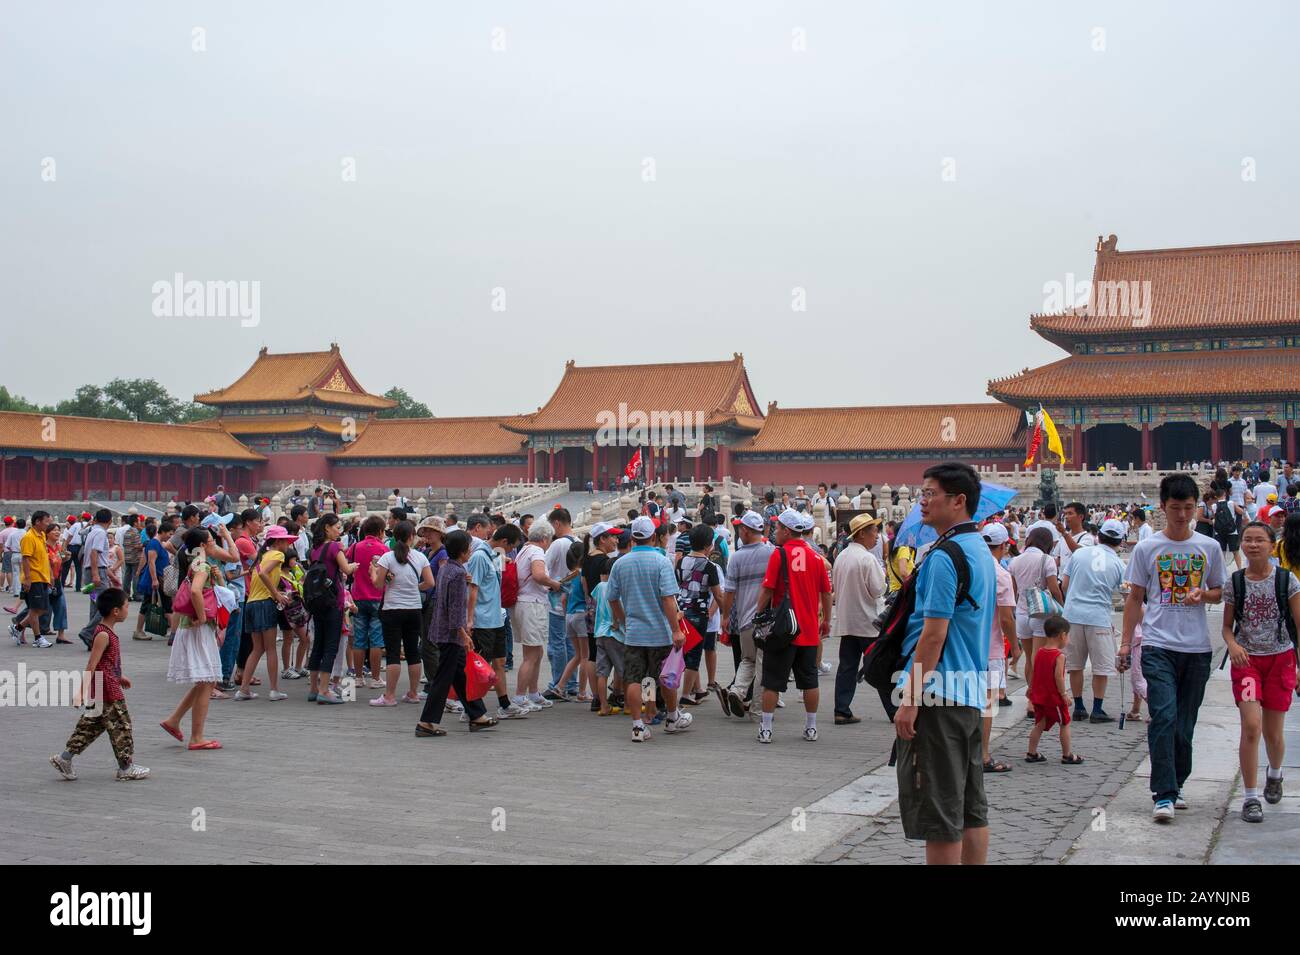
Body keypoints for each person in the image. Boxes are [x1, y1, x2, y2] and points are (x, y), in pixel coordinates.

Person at [893, 462, 996, 866]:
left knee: (939, 814)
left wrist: (911, 698)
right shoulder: (981, 550)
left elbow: (933, 635)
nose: (923, 501)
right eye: (922, 493)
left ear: (958, 501)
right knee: (971, 808)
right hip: (970, 695)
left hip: (939, 697)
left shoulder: (944, 556)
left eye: (930, 493)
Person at [1120, 473, 1227, 824]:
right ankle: (1163, 793)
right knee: (1164, 715)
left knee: (1185, 724)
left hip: (1197, 649)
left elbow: (1219, 592)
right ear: (1162, 508)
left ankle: (1177, 783)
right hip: (1157, 644)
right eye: (1175, 508)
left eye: (1189, 508)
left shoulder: (1208, 548)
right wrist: (1125, 643)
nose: (1182, 515)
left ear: (1197, 507)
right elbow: (1135, 597)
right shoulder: (1147, 549)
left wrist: (1203, 595)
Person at [1222, 521, 1299, 823]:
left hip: (1280, 659)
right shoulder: (1235, 582)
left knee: (1273, 733)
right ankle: (1250, 797)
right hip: (1247, 663)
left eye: (1259, 540)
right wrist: (1232, 645)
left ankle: (1275, 773)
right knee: (1251, 726)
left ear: (1271, 544)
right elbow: (1227, 627)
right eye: (1247, 540)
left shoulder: (1286, 580)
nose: (1253, 545)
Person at [49, 587, 150, 781]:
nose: (129, 610)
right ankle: (125, 767)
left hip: (107, 686)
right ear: (116, 611)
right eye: (127, 606)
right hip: (107, 691)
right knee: (122, 726)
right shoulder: (103, 634)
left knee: (90, 727)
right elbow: (92, 664)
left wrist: (120, 677)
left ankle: (64, 758)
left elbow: (106, 663)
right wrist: (80, 692)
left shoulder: (107, 631)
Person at [606, 516, 689, 741]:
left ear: (632, 538)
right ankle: (672, 717)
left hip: (634, 633)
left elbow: (611, 598)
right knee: (666, 677)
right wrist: (676, 629)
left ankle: (637, 725)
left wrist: (623, 620)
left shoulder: (620, 563)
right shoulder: (661, 561)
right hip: (659, 632)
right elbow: (668, 600)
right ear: (653, 537)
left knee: (637, 679)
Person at [754, 509, 831, 743]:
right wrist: (826, 619)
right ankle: (811, 727)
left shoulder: (779, 555)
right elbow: (826, 592)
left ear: (787, 531)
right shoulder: (817, 558)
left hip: (783, 631)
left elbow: (767, 589)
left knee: (772, 681)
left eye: (777, 528)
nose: (775, 532)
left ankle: (766, 728)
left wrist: (757, 614)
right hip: (808, 630)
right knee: (809, 681)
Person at [415, 530, 498, 736]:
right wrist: (464, 634)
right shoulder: (458, 573)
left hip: (442, 630)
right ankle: (427, 722)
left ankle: (477, 715)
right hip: (451, 633)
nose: (470, 551)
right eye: (468, 547)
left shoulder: (447, 568)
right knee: (443, 679)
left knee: (460, 676)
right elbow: (454, 609)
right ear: (462, 551)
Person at [160, 528, 225, 749]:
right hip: (199, 629)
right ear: (204, 545)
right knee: (207, 681)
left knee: (205, 680)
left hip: (192, 628)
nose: (215, 543)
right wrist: (202, 616)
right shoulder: (202, 565)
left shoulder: (197, 564)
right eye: (212, 541)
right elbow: (196, 591)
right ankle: (197, 737)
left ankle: (174, 720)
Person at [1060, 518, 1127, 723]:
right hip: (1098, 617)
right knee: (1101, 666)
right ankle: (1097, 709)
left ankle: (1079, 706)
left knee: (1075, 664)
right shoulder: (1118, 563)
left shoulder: (1079, 553)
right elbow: (1126, 593)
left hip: (1072, 615)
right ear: (1120, 541)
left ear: (1099, 536)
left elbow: (1064, 585)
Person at [466, 513, 527, 720]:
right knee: (479, 666)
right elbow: (472, 589)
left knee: (499, 662)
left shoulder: (494, 555)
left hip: (497, 617)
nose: (511, 550)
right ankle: (472, 708)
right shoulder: (479, 557)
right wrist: (469, 619)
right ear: (503, 541)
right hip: (482, 620)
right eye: (511, 546)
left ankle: (504, 704)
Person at [831, 512, 888, 725]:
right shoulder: (867, 558)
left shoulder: (842, 556)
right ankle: (893, 710)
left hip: (848, 620)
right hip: (868, 621)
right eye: (874, 531)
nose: (877, 535)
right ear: (862, 534)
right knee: (879, 666)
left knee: (847, 666)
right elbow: (877, 590)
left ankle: (841, 709)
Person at [368, 520, 432, 706]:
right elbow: (430, 583)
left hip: (392, 610)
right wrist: (414, 587)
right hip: (414, 610)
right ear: (411, 537)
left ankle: (389, 696)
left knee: (394, 653)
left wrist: (373, 572)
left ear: (395, 538)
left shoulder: (387, 558)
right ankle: (413, 693)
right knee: (413, 652)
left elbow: (379, 584)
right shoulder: (420, 557)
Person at [721, 511, 775, 718]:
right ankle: (757, 709)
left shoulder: (736, 557)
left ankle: (737, 690)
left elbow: (729, 592)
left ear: (745, 530)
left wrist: (726, 617)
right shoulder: (772, 554)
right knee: (763, 664)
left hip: (744, 620)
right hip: (766, 620)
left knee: (747, 659)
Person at [237, 524, 297, 702]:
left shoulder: (262, 556)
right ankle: (274, 690)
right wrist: (276, 594)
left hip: (252, 603)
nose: (288, 544)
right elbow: (264, 574)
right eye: (286, 541)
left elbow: (260, 574)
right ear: (278, 541)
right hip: (265, 604)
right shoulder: (277, 554)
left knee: (257, 649)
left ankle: (244, 689)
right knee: (271, 649)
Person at [1008, 526, 1063, 719]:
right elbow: (1054, 588)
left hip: (1022, 613)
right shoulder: (1046, 560)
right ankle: (1035, 699)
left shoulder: (1015, 560)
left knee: (1029, 658)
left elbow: (1013, 590)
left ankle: (1031, 696)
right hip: (1040, 613)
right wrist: (1062, 606)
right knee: (1039, 659)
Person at [306, 513, 356, 704]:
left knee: (318, 643)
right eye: (336, 527)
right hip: (332, 601)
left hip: (316, 602)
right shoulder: (335, 547)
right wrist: (354, 565)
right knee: (331, 646)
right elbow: (346, 569)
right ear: (327, 527)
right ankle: (325, 690)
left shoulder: (315, 549)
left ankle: (313, 688)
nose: (339, 530)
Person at [511, 519, 559, 711]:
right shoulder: (537, 551)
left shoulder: (524, 550)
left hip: (523, 603)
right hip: (532, 604)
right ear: (545, 538)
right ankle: (520, 695)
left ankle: (533, 692)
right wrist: (554, 584)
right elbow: (539, 575)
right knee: (531, 655)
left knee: (536, 652)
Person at [676, 523, 724, 709]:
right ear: (707, 545)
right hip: (698, 614)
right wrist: (725, 612)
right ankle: (686, 694)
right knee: (694, 658)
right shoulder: (709, 566)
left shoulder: (680, 562)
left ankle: (692, 689)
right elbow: (718, 594)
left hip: (681, 612)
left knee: (686, 653)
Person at [981, 523, 1016, 773]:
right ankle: (982, 755)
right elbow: (1005, 618)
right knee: (987, 705)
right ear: (1003, 546)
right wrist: (1015, 645)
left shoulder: (972, 568)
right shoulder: (1001, 575)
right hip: (991, 648)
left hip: (966, 647)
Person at [1025, 615, 1083, 765]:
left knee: (1039, 724)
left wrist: (1030, 689)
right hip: (1053, 698)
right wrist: (1064, 695)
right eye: (1068, 636)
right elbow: (1059, 677)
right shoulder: (1059, 656)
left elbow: (1036, 672)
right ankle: (1067, 754)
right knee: (1064, 723)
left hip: (1039, 696)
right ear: (1062, 635)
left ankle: (1031, 752)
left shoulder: (1039, 652)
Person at [346, 516, 389, 687]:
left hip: (358, 597)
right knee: (376, 639)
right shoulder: (384, 549)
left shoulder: (355, 547)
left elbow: (347, 564)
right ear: (380, 531)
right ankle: (376, 678)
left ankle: (358, 677)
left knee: (359, 639)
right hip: (377, 597)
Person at [542, 508, 579, 701]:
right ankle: (572, 683)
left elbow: (544, 569)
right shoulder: (580, 541)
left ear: (557, 523)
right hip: (574, 602)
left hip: (557, 601)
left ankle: (558, 683)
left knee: (557, 643)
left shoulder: (557, 545)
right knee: (572, 644)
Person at [76, 510, 115, 650]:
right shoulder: (100, 533)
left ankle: (93, 638)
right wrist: (96, 574)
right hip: (97, 572)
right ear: (110, 521)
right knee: (107, 604)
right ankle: (88, 632)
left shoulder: (92, 531)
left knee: (96, 604)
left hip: (90, 572)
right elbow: (95, 553)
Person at [133, 518, 175, 641]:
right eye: (169, 534)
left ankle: (139, 630)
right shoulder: (153, 544)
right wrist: (155, 580)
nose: (170, 536)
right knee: (161, 604)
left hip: (160, 578)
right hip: (155, 579)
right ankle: (174, 632)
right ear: (162, 532)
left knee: (150, 604)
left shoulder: (159, 543)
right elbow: (151, 562)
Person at [16, 511, 53, 646]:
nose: (48, 524)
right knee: (34, 609)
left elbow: (43, 556)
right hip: (34, 577)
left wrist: (50, 574)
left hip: (43, 577)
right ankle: (38, 638)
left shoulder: (42, 535)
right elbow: (26, 558)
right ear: (37, 521)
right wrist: (27, 578)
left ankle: (17, 627)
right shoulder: (29, 537)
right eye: (46, 521)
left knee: (41, 609)